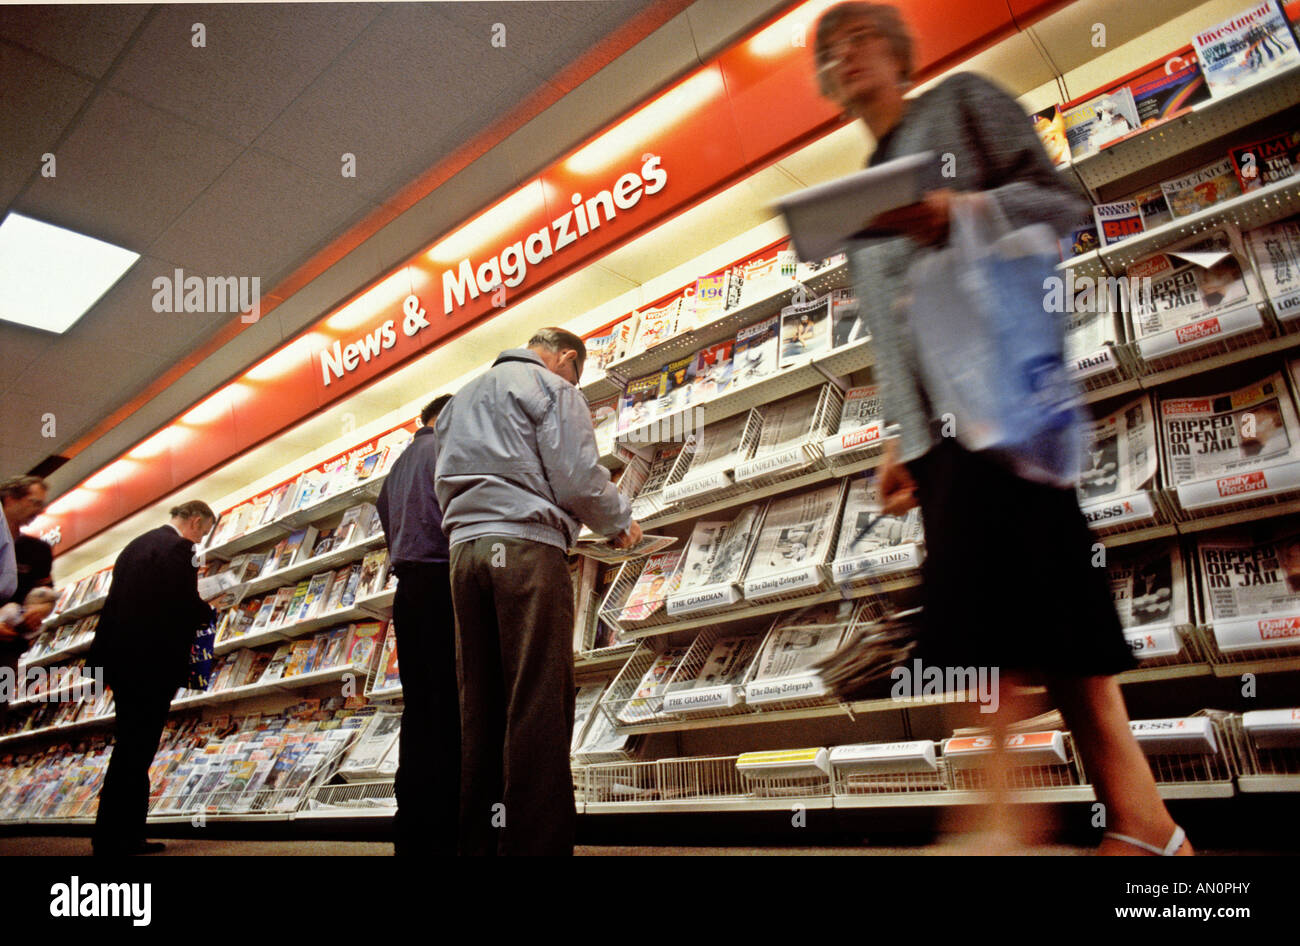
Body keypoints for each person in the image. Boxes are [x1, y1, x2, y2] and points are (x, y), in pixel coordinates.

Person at [814, 2, 1192, 855]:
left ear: (899, 51)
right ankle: (1147, 829)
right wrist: (894, 438)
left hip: (1003, 416)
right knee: (1056, 625)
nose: (843, 58)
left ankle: (995, 823)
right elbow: (896, 328)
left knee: (975, 623)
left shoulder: (963, 104)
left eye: (858, 38)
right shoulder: (864, 187)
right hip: (942, 442)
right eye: (827, 53)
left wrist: (957, 213)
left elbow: (1063, 204)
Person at [434, 327, 642, 856]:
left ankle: (478, 843)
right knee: (538, 698)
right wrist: (618, 521)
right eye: (577, 372)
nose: (575, 381)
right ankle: (535, 850)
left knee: (478, 701)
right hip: (524, 547)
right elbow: (576, 477)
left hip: (464, 553)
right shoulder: (551, 388)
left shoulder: (461, 399)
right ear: (567, 359)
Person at [89, 501, 216, 855]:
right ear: (194, 521)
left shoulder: (135, 546)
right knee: (139, 749)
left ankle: (110, 835)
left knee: (127, 746)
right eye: (202, 531)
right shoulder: (182, 548)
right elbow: (181, 603)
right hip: (152, 663)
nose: (200, 538)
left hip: (121, 661)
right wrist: (209, 607)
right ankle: (124, 838)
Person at [375, 393, 457, 856]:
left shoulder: (398, 465)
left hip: (408, 590)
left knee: (420, 707)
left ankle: (414, 827)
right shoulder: (444, 450)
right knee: (452, 703)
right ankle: (448, 824)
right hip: (442, 580)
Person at [0, 476, 53, 682]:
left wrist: (40, 609)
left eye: (42, 505)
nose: (39, 510)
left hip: (7, 652)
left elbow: (46, 593)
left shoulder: (38, 550)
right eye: (34, 502)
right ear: (11, 499)